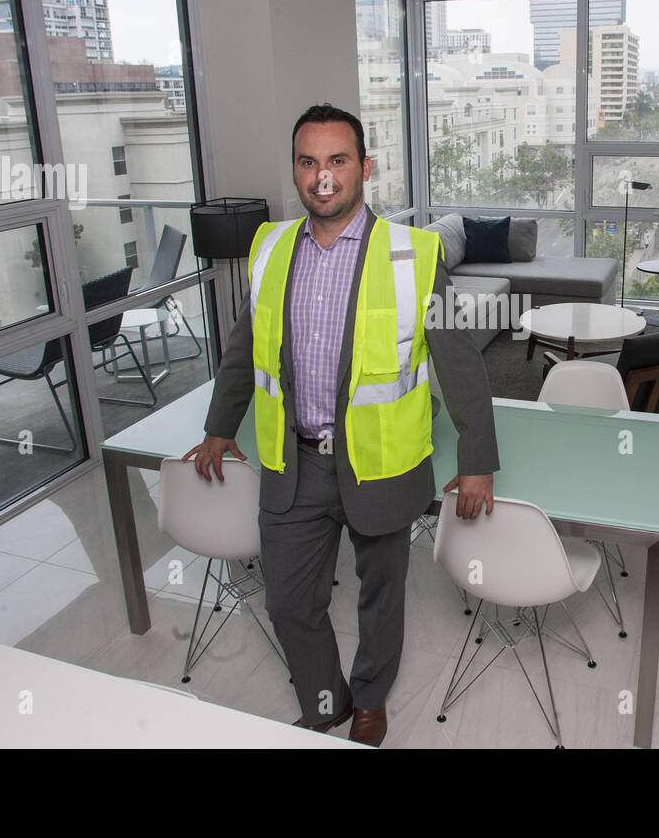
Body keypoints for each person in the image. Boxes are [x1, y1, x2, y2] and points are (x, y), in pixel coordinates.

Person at [183, 104, 498, 747]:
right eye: (308, 162)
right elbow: (246, 349)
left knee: (381, 598)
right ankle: (326, 702)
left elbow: (460, 366)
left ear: (363, 168)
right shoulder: (269, 248)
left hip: (380, 465)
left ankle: (371, 701)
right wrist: (221, 426)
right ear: (296, 171)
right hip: (292, 464)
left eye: (337, 160)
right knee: (289, 603)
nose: (322, 176)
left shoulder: (414, 254)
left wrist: (478, 459)